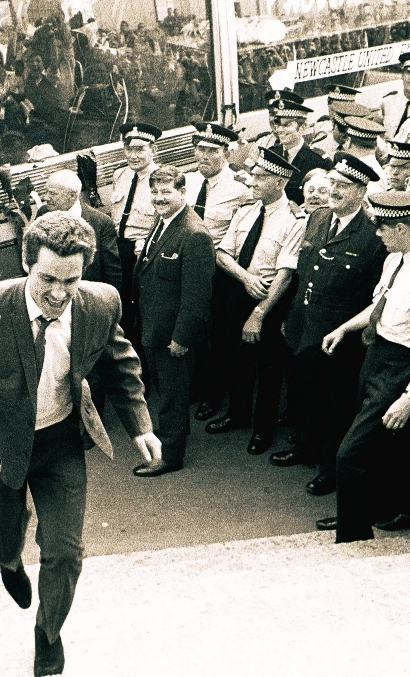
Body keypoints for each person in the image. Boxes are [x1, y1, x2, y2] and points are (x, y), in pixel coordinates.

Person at [0, 211, 160, 677]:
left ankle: (47, 635)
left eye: (70, 280)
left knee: (66, 552)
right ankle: (8, 561)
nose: (58, 292)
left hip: (61, 442)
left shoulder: (100, 302)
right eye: (47, 278)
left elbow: (120, 361)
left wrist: (140, 425)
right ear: (26, 263)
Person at [311, 192, 410, 540]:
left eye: (382, 228)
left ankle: (353, 535)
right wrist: (344, 328)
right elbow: (379, 308)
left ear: (401, 227)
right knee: (378, 450)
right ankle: (366, 511)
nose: (377, 235)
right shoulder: (395, 259)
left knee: (351, 453)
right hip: (376, 356)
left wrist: (409, 396)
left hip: (403, 366)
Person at [273, 154, 387, 496]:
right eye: (332, 183)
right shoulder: (319, 218)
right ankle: (305, 445)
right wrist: (291, 320)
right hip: (305, 327)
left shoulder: (371, 236)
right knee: (306, 394)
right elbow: (305, 272)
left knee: (336, 405)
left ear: (361, 191)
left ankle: (328, 468)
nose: (333, 191)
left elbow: (375, 295)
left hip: (340, 338)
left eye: (342, 185)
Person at [208, 148, 303, 455]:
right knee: (236, 358)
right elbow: (222, 254)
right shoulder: (246, 211)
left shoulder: (293, 221)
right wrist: (245, 277)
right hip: (239, 290)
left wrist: (260, 313)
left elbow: (286, 273)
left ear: (279, 181)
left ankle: (263, 429)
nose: (253, 182)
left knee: (269, 367)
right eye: (253, 176)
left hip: (269, 300)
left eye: (261, 177)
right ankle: (237, 414)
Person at [132, 165, 213, 476]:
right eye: (154, 191)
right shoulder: (164, 221)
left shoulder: (194, 234)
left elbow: (196, 298)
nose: (159, 198)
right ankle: (171, 442)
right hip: (153, 326)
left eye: (166, 191)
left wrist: (181, 339)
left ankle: (170, 456)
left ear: (183, 192)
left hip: (171, 335)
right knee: (166, 389)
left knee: (172, 395)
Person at [184, 121, 252, 423]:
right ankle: (197, 386)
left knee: (220, 336)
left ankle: (214, 394)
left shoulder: (240, 189)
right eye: (200, 149)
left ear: (226, 152)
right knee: (192, 329)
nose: (204, 156)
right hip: (187, 268)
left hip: (217, 271)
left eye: (212, 151)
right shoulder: (186, 182)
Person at [109, 121, 162, 345]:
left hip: (142, 252)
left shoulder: (162, 180)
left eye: (140, 149)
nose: (133, 155)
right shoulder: (120, 175)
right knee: (119, 308)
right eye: (129, 149)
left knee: (142, 311)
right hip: (117, 249)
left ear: (154, 150)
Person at [38, 170, 122, 290]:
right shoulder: (43, 213)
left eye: (52, 193)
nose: (46, 197)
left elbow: (112, 270)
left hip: (85, 292)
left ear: (72, 195)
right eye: (46, 192)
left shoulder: (100, 222)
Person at [266, 96, 332, 205]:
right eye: (278, 124)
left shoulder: (319, 161)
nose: (280, 130)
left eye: (287, 125)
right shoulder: (272, 154)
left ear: (303, 127)